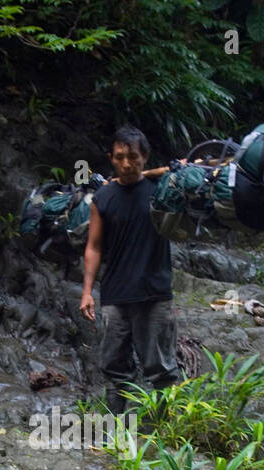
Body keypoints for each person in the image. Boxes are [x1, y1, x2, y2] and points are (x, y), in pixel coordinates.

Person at [79, 125, 180, 414]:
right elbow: (94, 246)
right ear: (111, 158)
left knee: (160, 369)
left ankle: (165, 433)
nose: (126, 163)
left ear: (144, 157)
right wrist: (87, 291)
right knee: (115, 367)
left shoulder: (160, 192)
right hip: (115, 295)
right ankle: (116, 431)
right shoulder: (103, 199)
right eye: (120, 157)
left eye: (133, 157)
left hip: (155, 294)